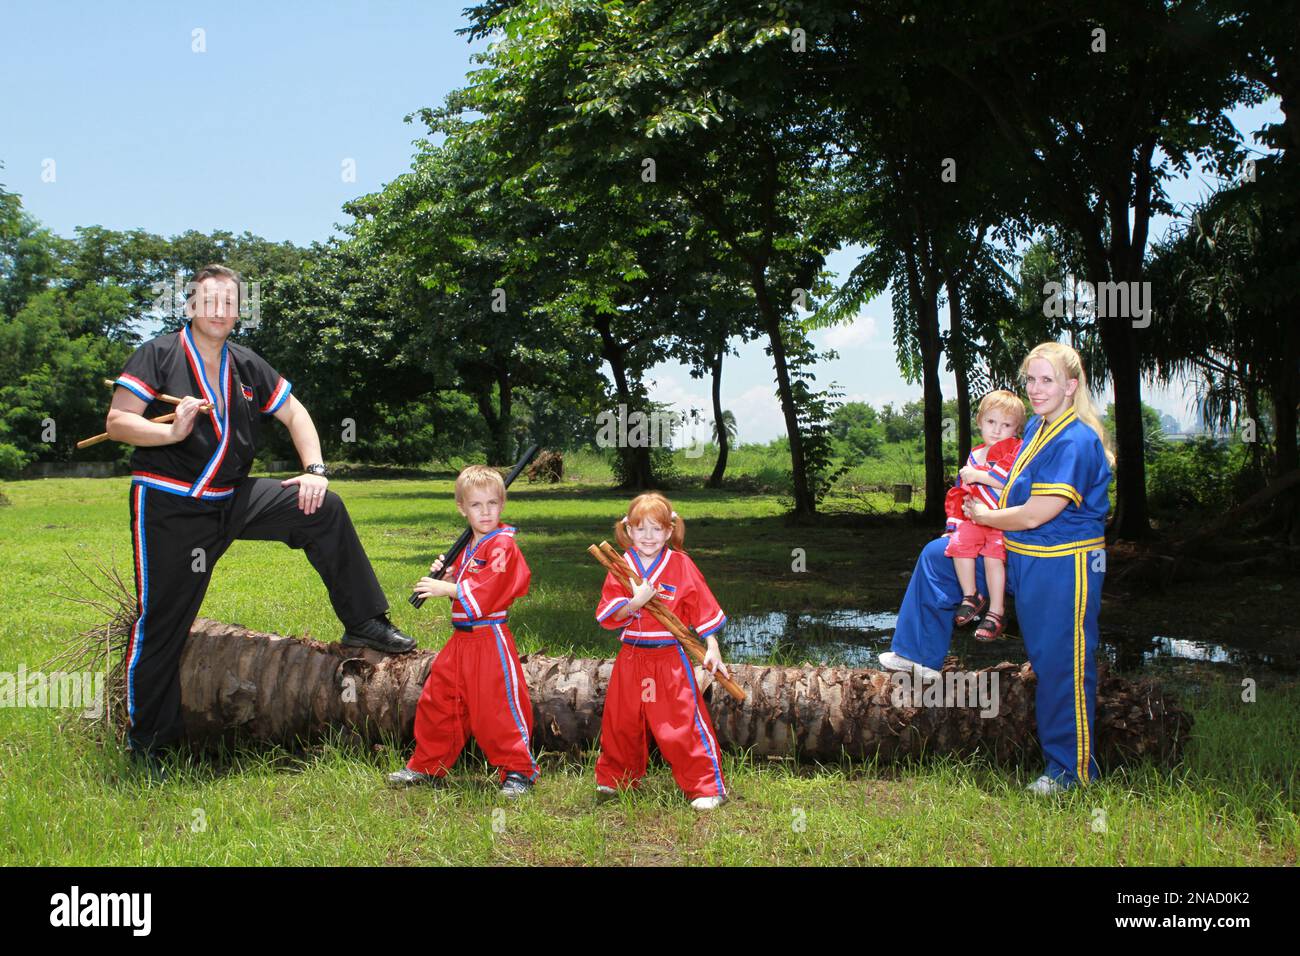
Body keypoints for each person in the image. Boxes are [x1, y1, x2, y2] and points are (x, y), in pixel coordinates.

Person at [107, 264, 414, 777]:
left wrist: (314, 470)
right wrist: (171, 432)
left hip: (232, 498)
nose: (220, 310)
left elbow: (295, 413)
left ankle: (365, 620)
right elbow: (118, 422)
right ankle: (149, 746)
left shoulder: (246, 365)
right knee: (162, 623)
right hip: (172, 506)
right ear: (190, 306)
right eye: (209, 300)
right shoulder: (158, 354)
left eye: (230, 302)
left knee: (322, 508)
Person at [879, 342, 1113, 794]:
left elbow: (1035, 512)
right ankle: (919, 655)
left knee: (1059, 663)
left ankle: (1072, 772)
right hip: (1016, 551)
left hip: (1062, 565)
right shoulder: (1039, 431)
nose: (1037, 388)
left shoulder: (1074, 438)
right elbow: (1007, 487)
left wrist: (984, 519)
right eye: (1032, 379)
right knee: (938, 555)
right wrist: (973, 516)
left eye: (1047, 379)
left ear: (1071, 385)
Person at [388, 464, 538, 798]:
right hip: (461, 641)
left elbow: (491, 586)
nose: (486, 512)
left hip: (489, 639)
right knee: (440, 701)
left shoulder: (502, 545)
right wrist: (446, 577)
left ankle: (518, 771)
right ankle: (427, 766)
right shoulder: (471, 546)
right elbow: (465, 581)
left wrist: (450, 590)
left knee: (496, 707)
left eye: (493, 504)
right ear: (461, 508)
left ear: (502, 504)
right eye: (476, 505)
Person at [593, 493, 729, 811]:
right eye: (641, 529)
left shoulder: (680, 564)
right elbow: (608, 614)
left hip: (669, 656)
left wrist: (712, 646)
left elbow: (702, 607)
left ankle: (706, 785)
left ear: (669, 531)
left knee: (680, 722)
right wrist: (636, 601)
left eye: (657, 529)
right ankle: (616, 778)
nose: (649, 537)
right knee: (622, 720)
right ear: (628, 530)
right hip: (632, 656)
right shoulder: (621, 565)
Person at [942, 390, 1025, 642]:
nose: (997, 430)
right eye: (991, 422)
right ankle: (971, 596)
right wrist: (954, 522)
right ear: (980, 421)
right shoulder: (975, 454)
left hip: (1001, 519)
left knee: (992, 557)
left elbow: (1007, 482)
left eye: (1006, 425)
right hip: (974, 518)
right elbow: (960, 491)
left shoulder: (1016, 450)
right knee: (958, 544)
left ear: (1017, 429)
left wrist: (975, 475)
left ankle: (996, 610)